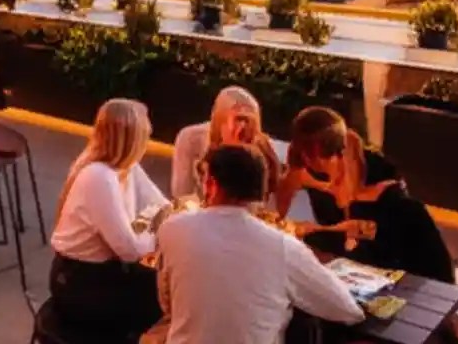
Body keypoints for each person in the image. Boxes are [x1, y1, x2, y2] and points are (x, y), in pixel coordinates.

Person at [156, 145, 364, 343]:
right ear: (263, 193)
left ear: (211, 184)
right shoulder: (283, 247)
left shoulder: (172, 229)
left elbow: (167, 304)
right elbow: (347, 310)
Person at [278, 107, 456, 284]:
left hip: (397, 274)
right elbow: (286, 194)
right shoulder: (310, 170)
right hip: (355, 270)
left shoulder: (396, 205)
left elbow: (440, 274)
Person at [49, 99, 167, 339]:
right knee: (163, 302)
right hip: (79, 283)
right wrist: (161, 232)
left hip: (103, 273)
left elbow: (161, 204)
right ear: (132, 140)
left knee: (167, 290)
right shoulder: (99, 176)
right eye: (145, 137)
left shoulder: (126, 167)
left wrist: (151, 225)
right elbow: (130, 250)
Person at [170, 86, 281, 202]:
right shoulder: (191, 138)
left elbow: (266, 205)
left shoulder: (264, 153)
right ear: (220, 120)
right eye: (239, 119)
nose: (242, 127)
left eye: (248, 120)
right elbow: (182, 195)